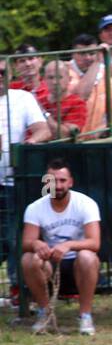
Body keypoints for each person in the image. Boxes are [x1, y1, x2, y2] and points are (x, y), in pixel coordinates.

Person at [21, 159, 101, 335]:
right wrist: (36, 243)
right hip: (50, 265)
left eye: (62, 180)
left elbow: (95, 243)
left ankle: (85, 316)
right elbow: (26, 242)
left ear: (70, 182)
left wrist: (69, 245)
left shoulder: (86, 204)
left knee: (87, 256)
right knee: (28, 259)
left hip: (78, 265)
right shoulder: (35, 208)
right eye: (52, 180)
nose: (57, 185)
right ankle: (45, 314)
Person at [1, 69, 52, 299]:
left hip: (12, 179)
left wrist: (30, 142)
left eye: (2, 72)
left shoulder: (22, 98)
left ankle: (18, 290)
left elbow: (44, 130)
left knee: (13, 237)